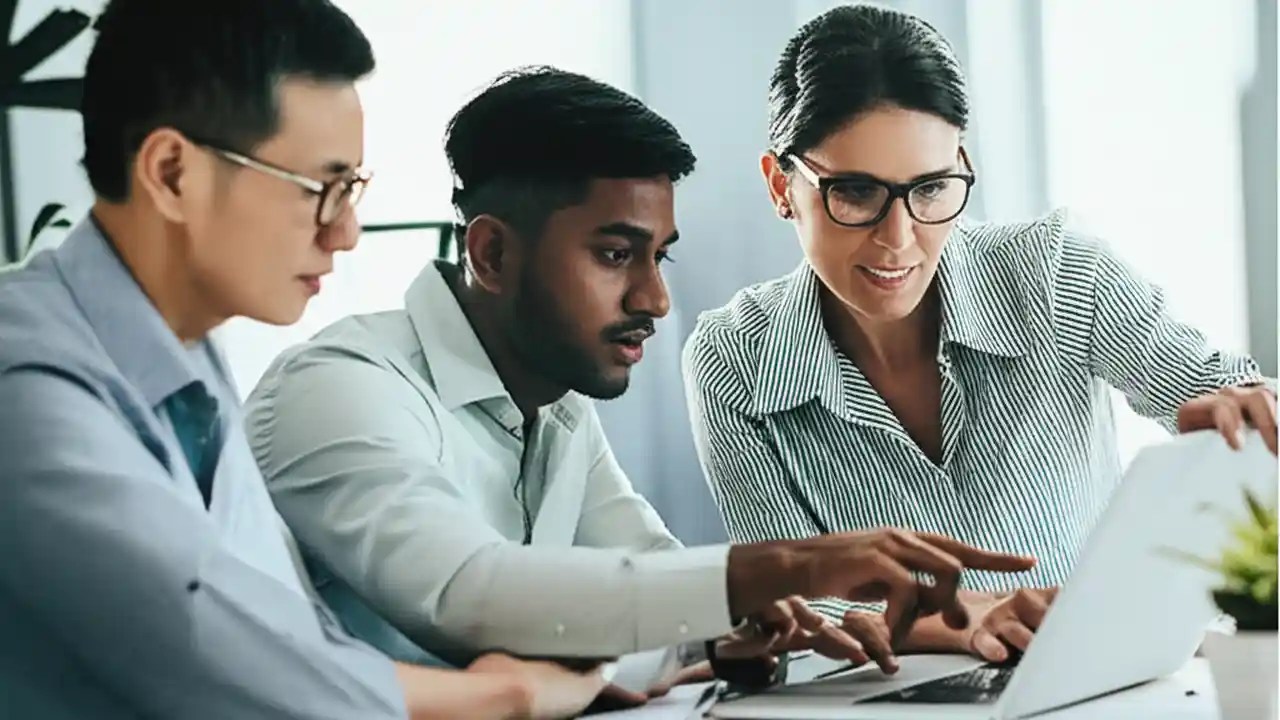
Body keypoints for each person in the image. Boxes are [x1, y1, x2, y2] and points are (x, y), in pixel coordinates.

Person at [242, 64, 1036, 705]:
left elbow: (646, 582)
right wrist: (784, 568)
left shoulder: (557, 410)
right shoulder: (338, 388)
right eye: (617, 255)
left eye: (661, 256)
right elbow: (469, 590)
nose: (655, 299)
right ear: (490, 254)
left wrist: (740, 629)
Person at [0, 2, 619, 718]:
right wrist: (509, 694)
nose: (346, 233)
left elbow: (290, 635)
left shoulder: (185, 363)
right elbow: (208, 653)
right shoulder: (27, 382)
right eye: (320, 190)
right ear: (172, 173)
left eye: (352, 190)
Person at [682, 1, 1278, 674]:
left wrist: (1249, 408)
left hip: (1101, 682)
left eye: (931, 188)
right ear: (780, 184)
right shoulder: (731, 359)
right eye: (854, 192)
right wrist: (966, 618)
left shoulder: (1057, 272)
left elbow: (1229, 387)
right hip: (889, 702)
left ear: (960, 164)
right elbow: (791, 601)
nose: (898, 239)